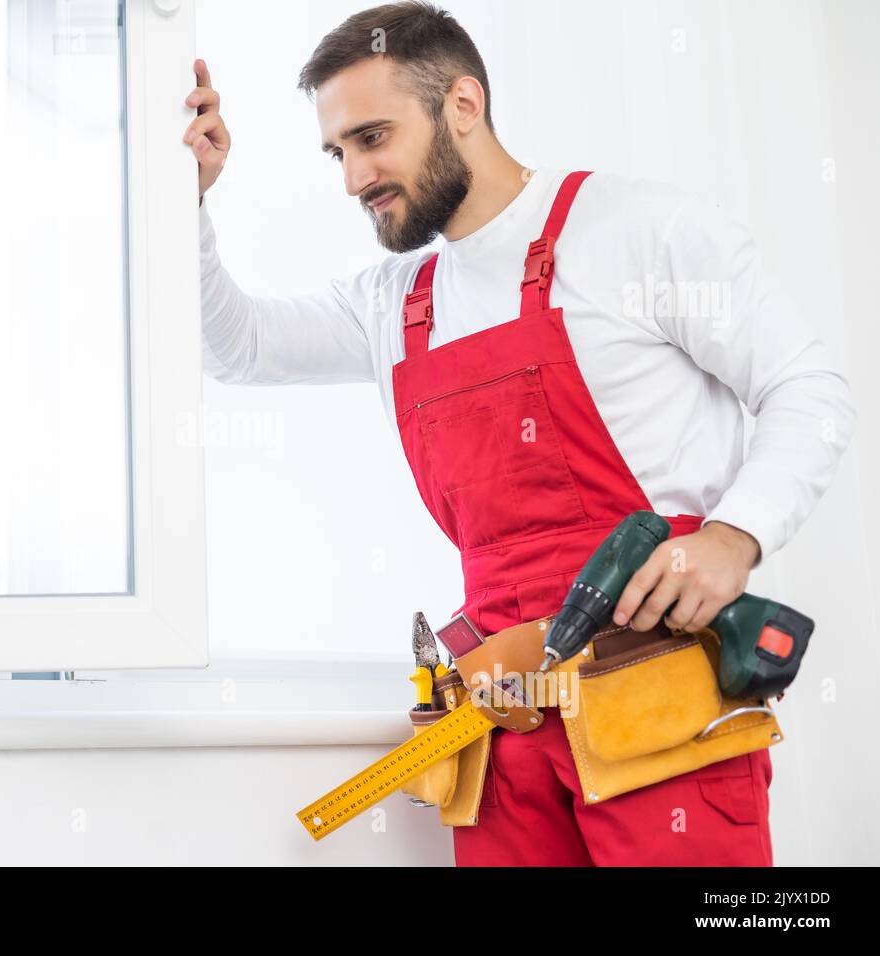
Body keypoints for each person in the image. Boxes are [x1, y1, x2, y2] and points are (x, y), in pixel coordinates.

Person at [184, 1, 855, 865]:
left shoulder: (637, 230)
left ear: (463, 104)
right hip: (503, 722)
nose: (354, 178)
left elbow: (810, 386)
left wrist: (734, 535)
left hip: (655, 710)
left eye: (373, 137)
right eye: (338, 151)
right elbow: (236, 349)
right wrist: (185, 205)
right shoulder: (398, 303)